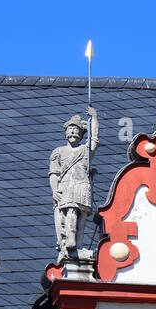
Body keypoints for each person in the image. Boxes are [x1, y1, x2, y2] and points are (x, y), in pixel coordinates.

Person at [49, 108, 99, 260]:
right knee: (70, 210)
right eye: (69, 129)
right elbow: (54, 173)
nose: (72, 132)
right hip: (66, 186)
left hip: (82, 185)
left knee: (82, 216)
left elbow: (94, 139)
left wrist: (94, 118)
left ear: (81, 133)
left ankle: (78, 245)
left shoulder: (85, 150)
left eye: (75, 129)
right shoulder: (59, 151)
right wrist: (54, 190)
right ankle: (70, 240)